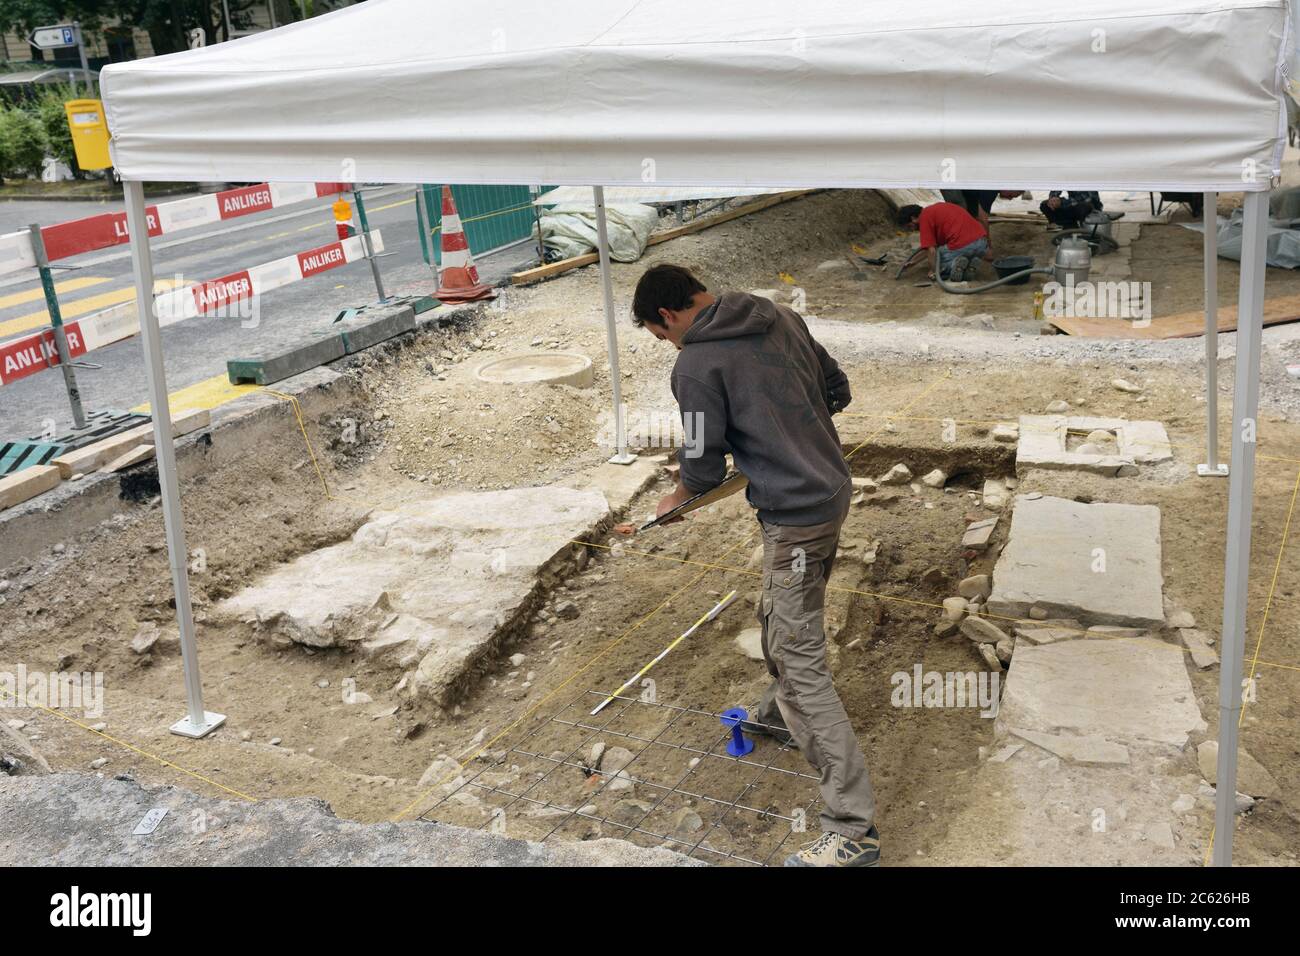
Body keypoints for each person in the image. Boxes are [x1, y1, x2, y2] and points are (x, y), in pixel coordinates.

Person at [631, 263, 879, 868]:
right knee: (782, 615)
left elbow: (701, 466)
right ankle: (775, 715)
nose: (669, 344)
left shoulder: (694, 364)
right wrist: (789, 435)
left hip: (795, 517)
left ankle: (852, 830)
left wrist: (676, 498)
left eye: (660, 334)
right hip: (830, 491)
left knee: (799, 660)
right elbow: (837, 388)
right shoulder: (782, 316)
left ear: (668, 315)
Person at [895, 201, 991, 281]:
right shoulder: (935, 210)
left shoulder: (924, 218)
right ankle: (969, 265)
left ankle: (952, 266)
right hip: (981, 243)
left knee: (938, 259)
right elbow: (930, 246)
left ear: (913, 218)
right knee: (946, 252)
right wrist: (913, 262)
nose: (912, 230)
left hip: (964, 245)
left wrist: (934, 270)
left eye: (910, 226)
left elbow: (931, 251)